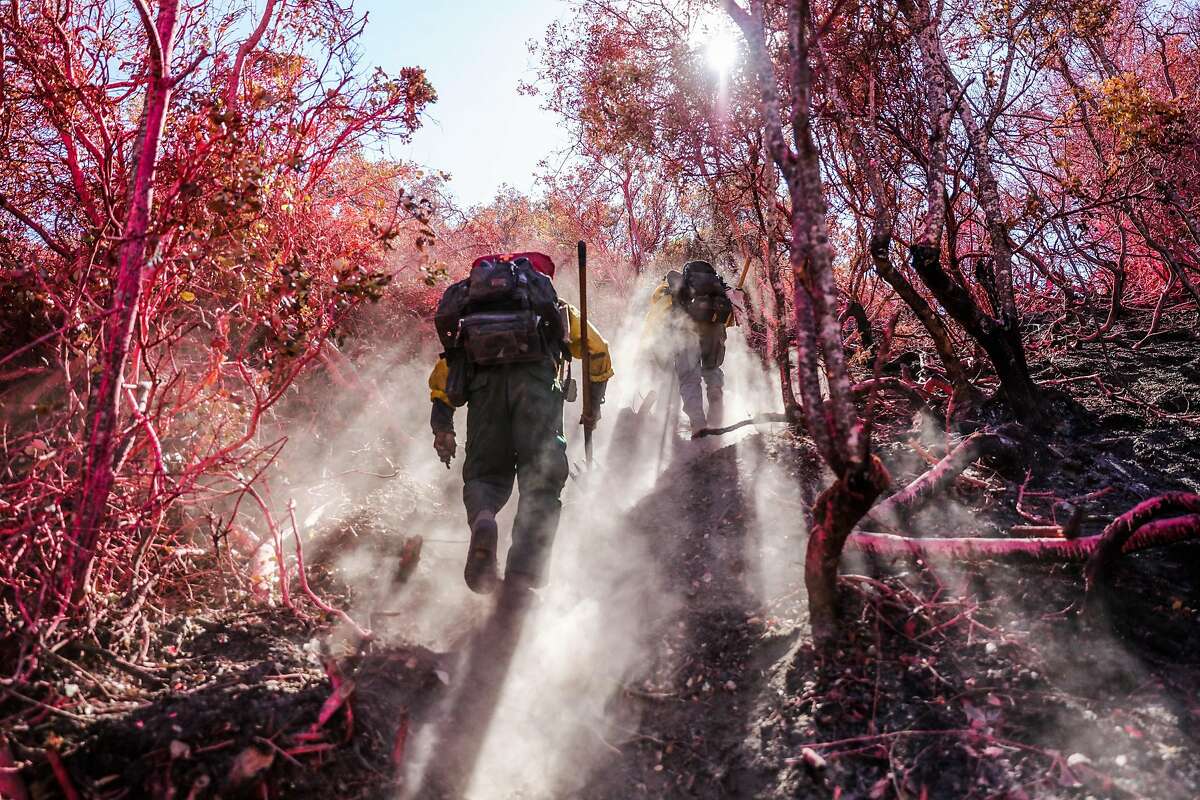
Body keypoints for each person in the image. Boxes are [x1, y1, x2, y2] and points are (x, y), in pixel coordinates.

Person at [428, 251, 612, 595]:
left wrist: (443, 426)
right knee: (540, 483)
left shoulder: (473, 316)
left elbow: (444, 377)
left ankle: (484, 520)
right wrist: (592, 407)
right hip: (537, 397)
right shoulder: (552, 310)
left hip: (485, 399)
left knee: (485, 476)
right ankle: (523, 573)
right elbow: (598, 352)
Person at [641, 260, 735, 434]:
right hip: (715, 330)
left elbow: (652, 327)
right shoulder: (713, 291)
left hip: (686, 332)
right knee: (712, 371)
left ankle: (699, 428)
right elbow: (728, 320)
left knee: (689, 378)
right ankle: (717, 422)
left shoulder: (666, 293)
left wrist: (650, 349)